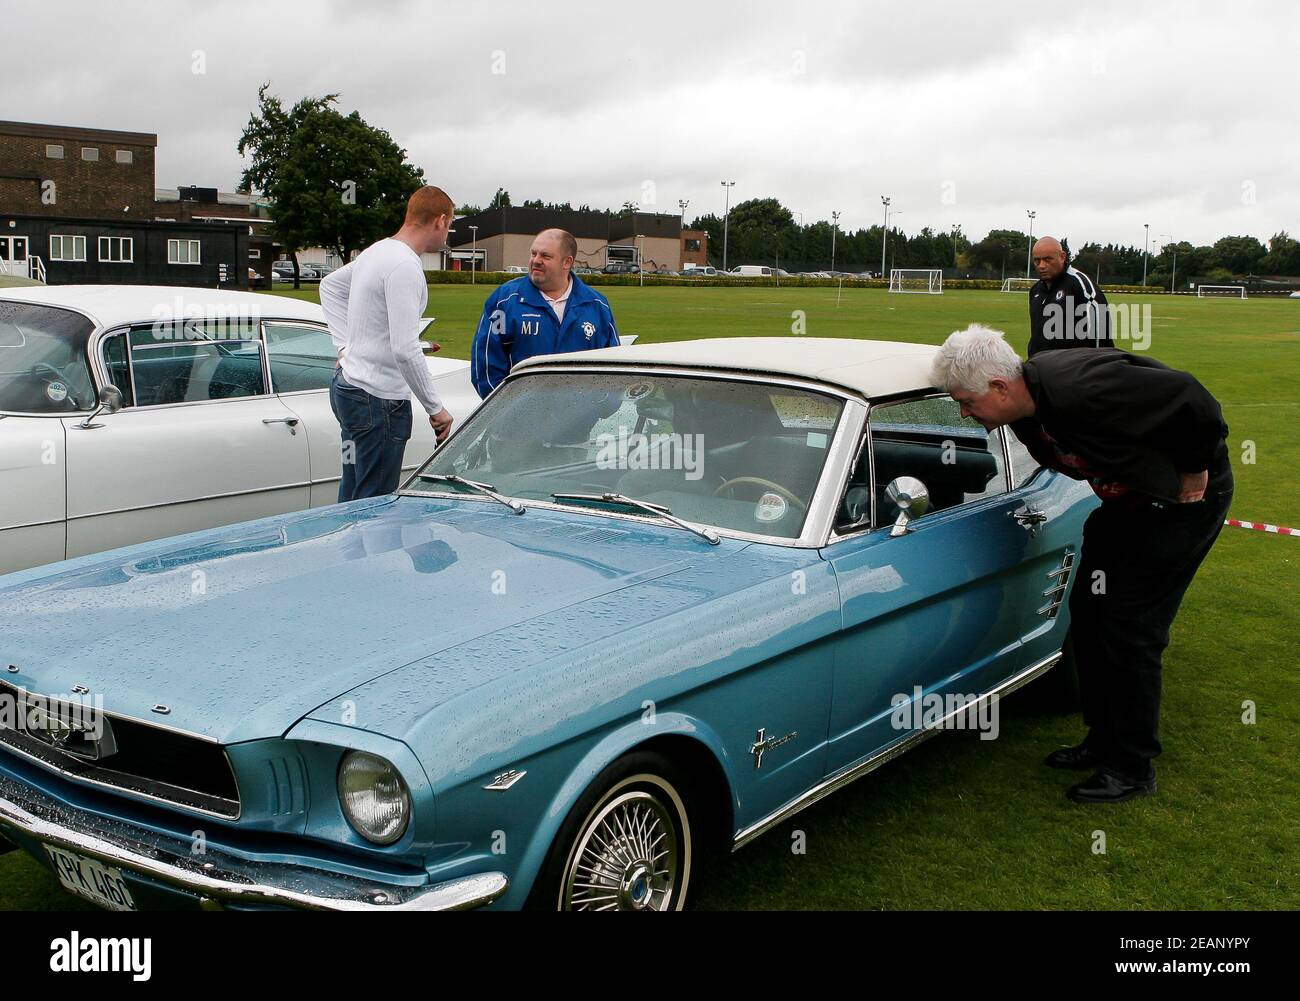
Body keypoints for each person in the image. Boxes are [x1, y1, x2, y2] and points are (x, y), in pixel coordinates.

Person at [931, 325, 1233, 803]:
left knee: (1131, 626)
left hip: (1180, 501)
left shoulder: (1081, 388)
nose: (967, 415)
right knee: (1089, 613)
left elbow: (1192, 399)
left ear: (1000, 387)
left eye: (968, 403)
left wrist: (1196, 468)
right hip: (1129, 502)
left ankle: (1132, 767)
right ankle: (1102, 737)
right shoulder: (1023, 412)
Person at [320, 186, 456, 502]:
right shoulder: (405, 266)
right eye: (448, 226)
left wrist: (344, 347)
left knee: (352, 490)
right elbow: (405, 348)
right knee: (374, 504)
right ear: (439, 221)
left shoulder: (377, 251)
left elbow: (329, 287)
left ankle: (346, 550)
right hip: (377, 402)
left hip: (349, 390)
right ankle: (366, 553)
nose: (446, 234)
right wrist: (436, 409)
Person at [470, 228, 620, 398]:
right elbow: (486, 366)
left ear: (567, 262)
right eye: (534, 254)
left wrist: (601, 407)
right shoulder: (504, 301)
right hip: (521, 418)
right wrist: (506, 412)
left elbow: (613, 365)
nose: (536, 261)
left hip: (581, 419)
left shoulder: (597, 305)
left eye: (545, 256)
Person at [1027, 236, 1115, 355]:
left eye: (1048, 259)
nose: (1041, 265)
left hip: (1073, 369)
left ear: (1062, 257)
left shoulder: (1080, 285)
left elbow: (1101, 334)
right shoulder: (1035, 291)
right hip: (1040, 367)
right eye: (1037, 260)